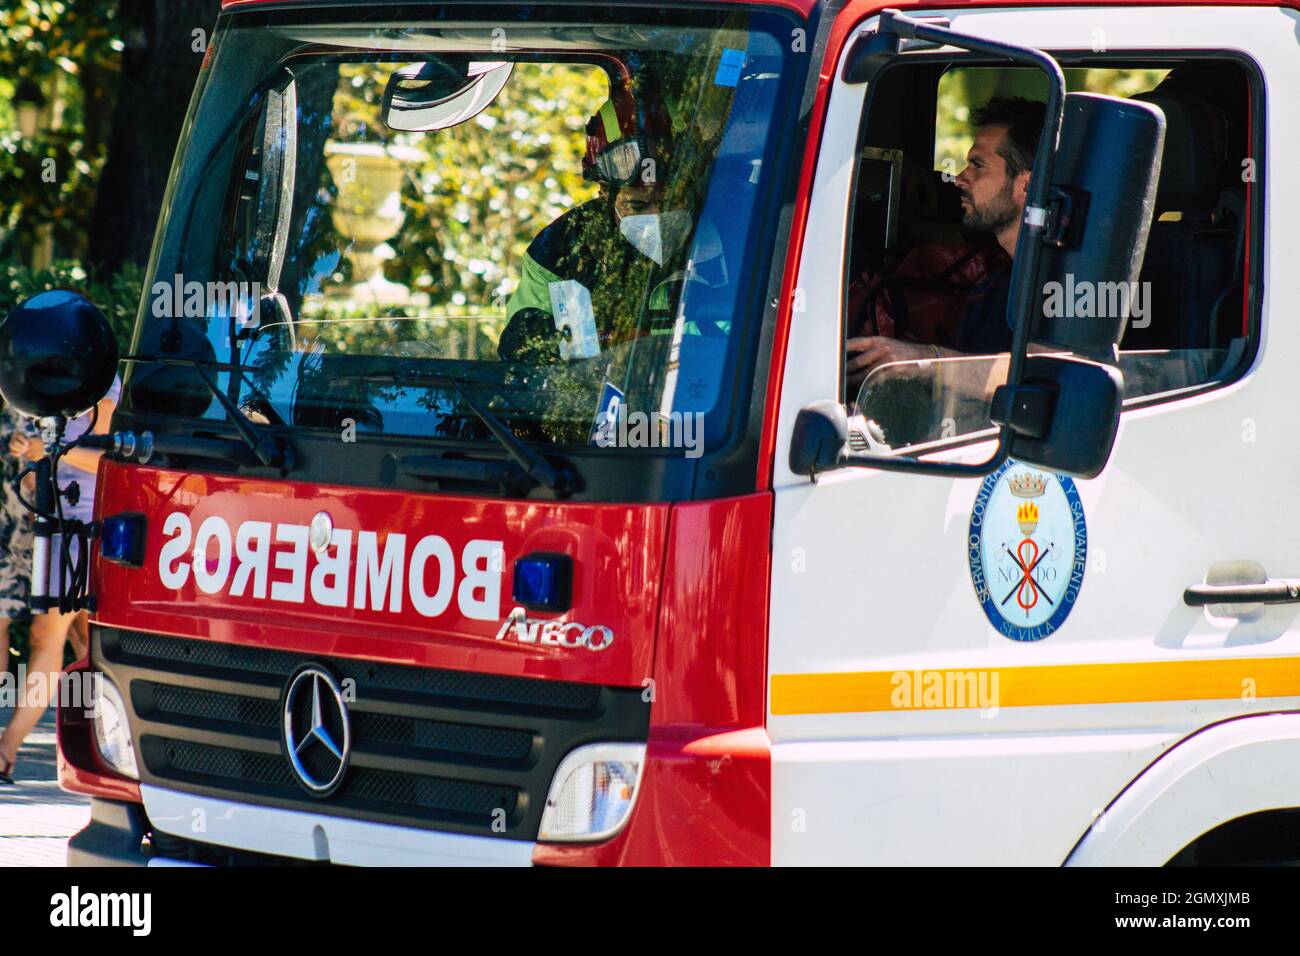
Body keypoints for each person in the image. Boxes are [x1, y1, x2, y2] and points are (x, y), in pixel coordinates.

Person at [498, 83, 713, 363]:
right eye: (638, 204)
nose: (659, 216)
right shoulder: (559, 249)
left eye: (673, 200)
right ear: (605, 193)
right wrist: (595, 345)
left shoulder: (741, 235)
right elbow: (520, 348)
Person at [846, 97, 1046, 388]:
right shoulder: (988, 294)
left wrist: (923, 361)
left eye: (977, 165)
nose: (960, 179)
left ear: (1026, 186)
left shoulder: (1065, 285)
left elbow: (1051, 375)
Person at [0, 376, 118, 783]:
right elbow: (43, 463)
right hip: (59, 528)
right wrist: (31, 459)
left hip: (88, 530)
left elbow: (109, 458)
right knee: (85, 644)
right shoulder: (51, 386)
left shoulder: (102, 386)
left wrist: (51, 451)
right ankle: (97, 754)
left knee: (46, 635)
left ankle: (5, 750)